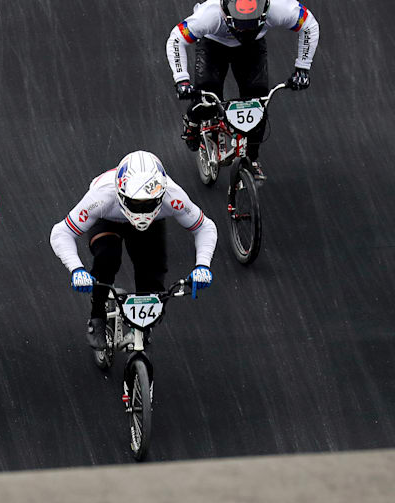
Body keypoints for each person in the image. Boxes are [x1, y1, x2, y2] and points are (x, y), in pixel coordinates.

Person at [49, 151, 217, 350]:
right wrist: (76, 269)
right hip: (108, 219)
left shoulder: (173, 195)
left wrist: (203, 265)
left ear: (161, 193)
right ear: (120, 193)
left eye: (148, 204)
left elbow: (204, 227)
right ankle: (97, 316)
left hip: (152, 224)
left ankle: (143, 327)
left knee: (152, 273)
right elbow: (61, 232)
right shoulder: (101, 196)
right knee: (107, 258)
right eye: (135, 204)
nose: (142, 212)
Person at [166, 0, 320, 179]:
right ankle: (193, 120)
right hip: (212, 44)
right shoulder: (208, 14)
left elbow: (309, 25)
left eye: (250, 27)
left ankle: (252, 158)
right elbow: (176, 38)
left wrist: (303, 68)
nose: (244, 32)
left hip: (251, 48)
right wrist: (182, 80)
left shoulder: (278, 7)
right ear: (224, 14)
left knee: (258, 103)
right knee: (207, 98)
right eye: (239, 27)